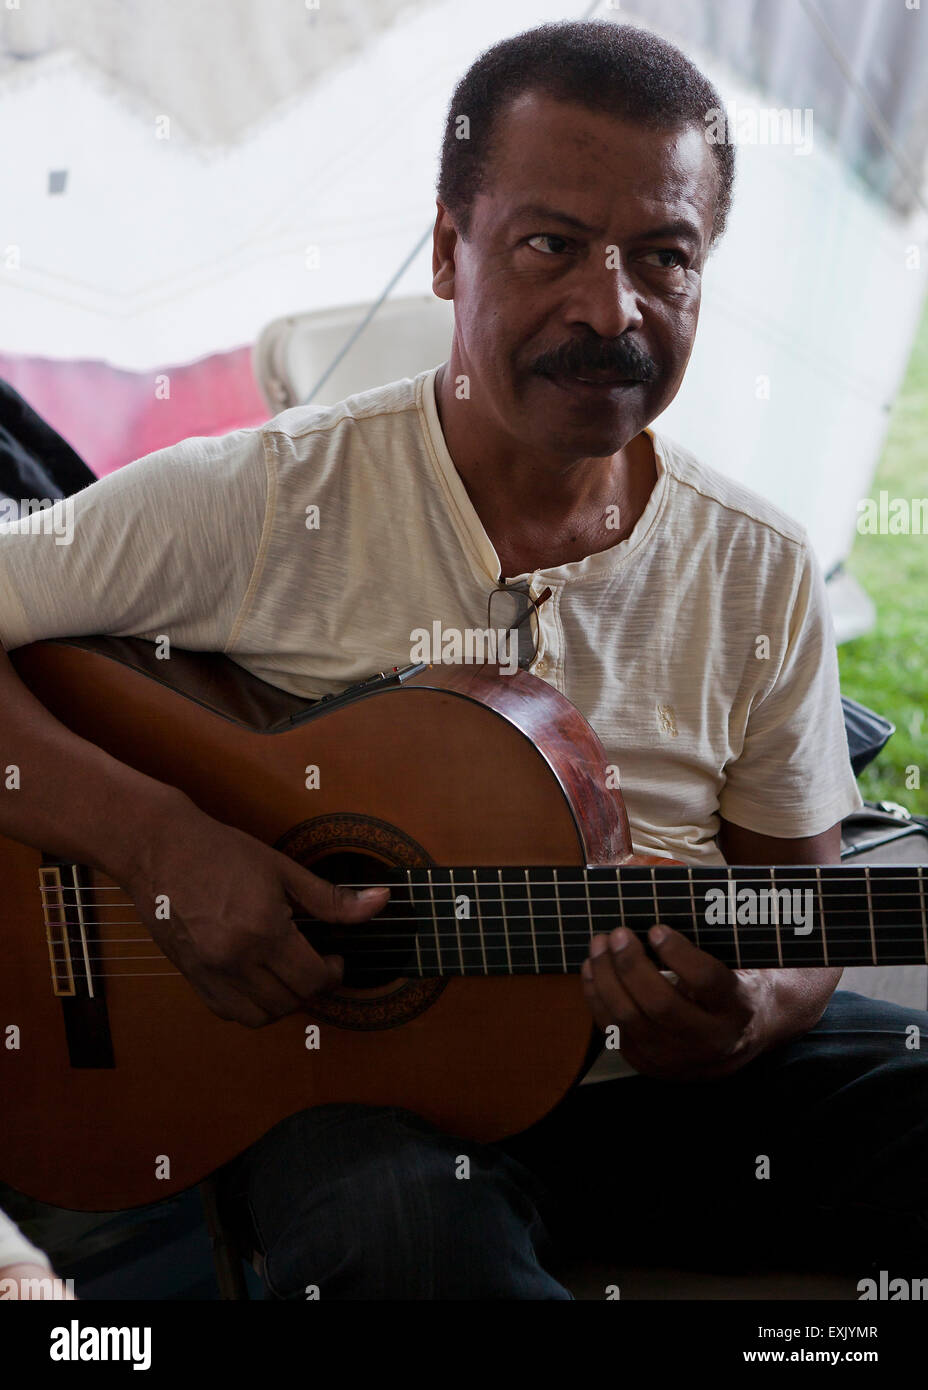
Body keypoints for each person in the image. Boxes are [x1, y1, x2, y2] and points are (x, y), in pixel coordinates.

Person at [0, 21, 925, 1299]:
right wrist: (162, 843)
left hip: (661, 1098)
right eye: (551, 245)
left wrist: (744, 1013)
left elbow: (799, 911)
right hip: (362, 1093)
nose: (612, 309)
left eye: (666, 257)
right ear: (448, 251)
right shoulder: (264, 500)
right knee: (403, 1243)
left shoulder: (758, 564)